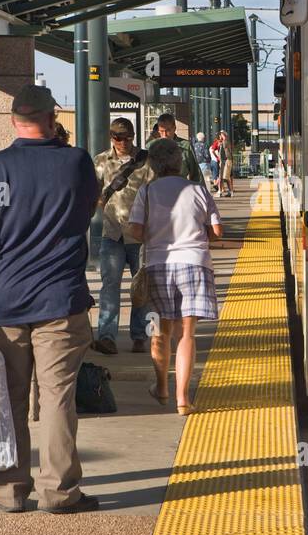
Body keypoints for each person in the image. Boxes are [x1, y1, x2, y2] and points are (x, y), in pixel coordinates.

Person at [0, 84, 101, 514]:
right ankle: (60, 492)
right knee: (56, 398)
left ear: (14, 120)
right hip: (61, 300)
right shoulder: (76, 163)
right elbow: (88, 208)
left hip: (4, 304)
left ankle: (10, 490)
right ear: (52, 118)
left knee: (9, 398)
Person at [128, 138, 222, 415]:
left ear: (153, 164)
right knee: (187, 333)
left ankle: (162, 387)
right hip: (194, 263)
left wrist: (156, 235)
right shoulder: (197, 190)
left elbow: (135, 230)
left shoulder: (146, 192)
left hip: (159, 264)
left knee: (161, 332)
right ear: (179, 162)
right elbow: (217, 232)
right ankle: (183, 398)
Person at [93, 117, 151, 355]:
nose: (123, 142)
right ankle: (107, 337)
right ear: (111, 137)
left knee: (141, 288)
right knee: (110, 286)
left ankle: (140, 336)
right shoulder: (100, 161)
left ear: (133, 137)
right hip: (113, 234)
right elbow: (94, 192)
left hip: (140, 235)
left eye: (127, 138)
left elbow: (155, 193)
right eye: (118, 138)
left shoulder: (146, 162)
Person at [148, 112, 202, 183]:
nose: (165, 135)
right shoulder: (151, 146)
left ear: (174, 128)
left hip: (181, 189)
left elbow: (196, 173)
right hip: (158, 190)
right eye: (161, 131)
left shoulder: (186, 146)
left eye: (168, 130)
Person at [218, 129, 234, 198]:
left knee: (226, 177)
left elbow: (227, 151)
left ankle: (230, 191)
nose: (219, 136)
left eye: (220, 134)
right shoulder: (224, 142)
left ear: (223, 135)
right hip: (224, 161)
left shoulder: (225, 142)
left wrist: (221, 144)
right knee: (222, 177)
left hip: (226, 160)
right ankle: (222, 191)